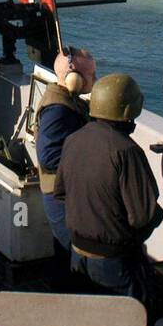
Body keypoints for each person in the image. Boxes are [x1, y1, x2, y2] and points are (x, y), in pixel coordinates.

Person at [55, 73, 163, 304]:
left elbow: (61, 193)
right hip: (113, 261)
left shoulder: (73, 140)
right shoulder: (126, 151)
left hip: (77, 253)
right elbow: (143, 216)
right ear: (127, 112)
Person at [35, 47, 97, 258]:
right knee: (72, 253)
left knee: (65, 253)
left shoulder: (65, 100)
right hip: (60, 195)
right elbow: (49, 157)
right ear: (74, 79)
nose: (95, 79)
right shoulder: (57, 110)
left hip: (64, 192)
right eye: (91, 75)